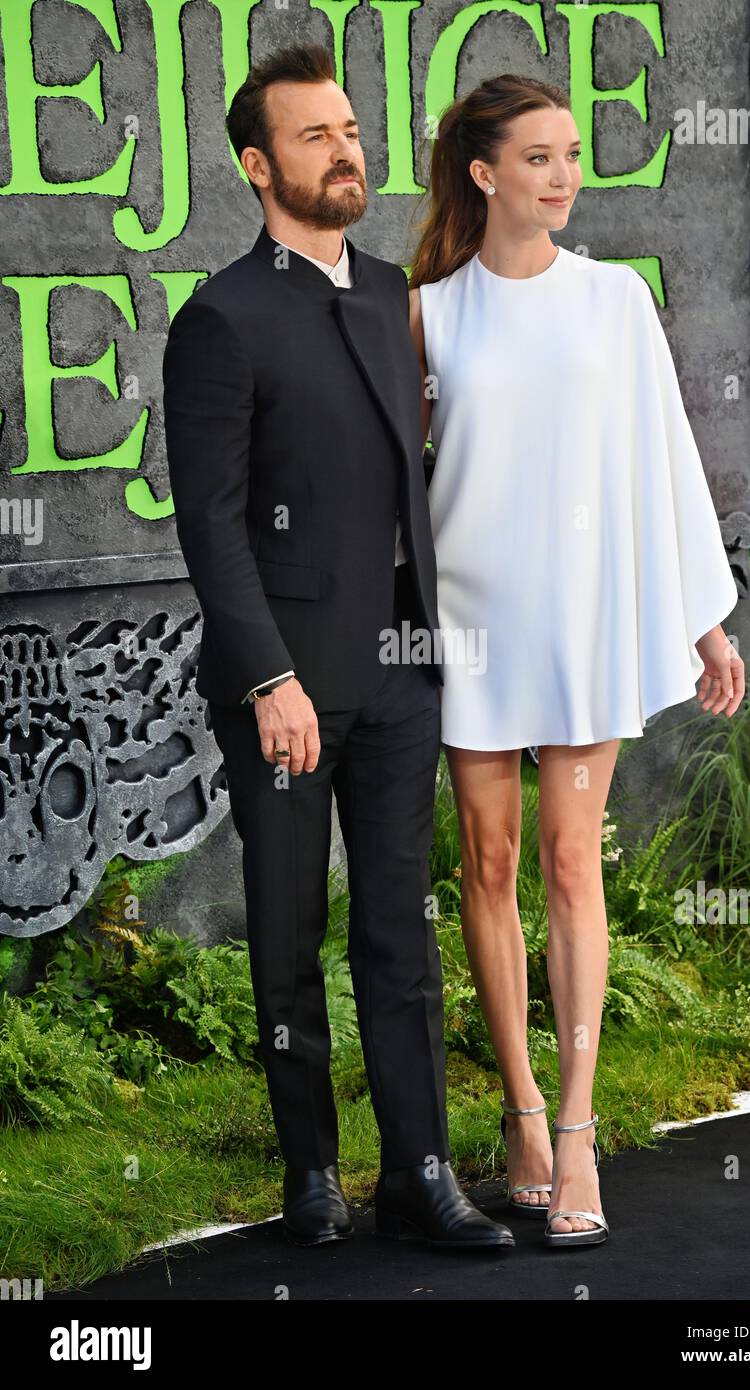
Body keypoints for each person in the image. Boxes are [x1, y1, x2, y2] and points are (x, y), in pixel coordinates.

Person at [162, 43, 513, 1251]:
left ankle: (420, 1171)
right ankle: (310, 1172)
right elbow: (209, 520)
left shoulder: (386, 293)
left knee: (397, 937)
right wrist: (269, 677)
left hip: (398, 672)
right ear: (259, 166)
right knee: (284, 938)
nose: (345, 150)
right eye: (313, 136)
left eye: (350, 129)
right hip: (285, 688)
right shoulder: (221, 317)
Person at [407, 74, 745, 1248]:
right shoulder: (429, 313)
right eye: (538, 157)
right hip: (471, 625)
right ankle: (515, 1111)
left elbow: (663, 455)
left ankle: (579, 1128)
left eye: (570, 155)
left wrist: (703, 619)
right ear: (483, 172)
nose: (563, 176)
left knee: (567, 860)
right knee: (488, 866)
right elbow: (396, 480)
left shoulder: (614, 302)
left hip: (582, 617)